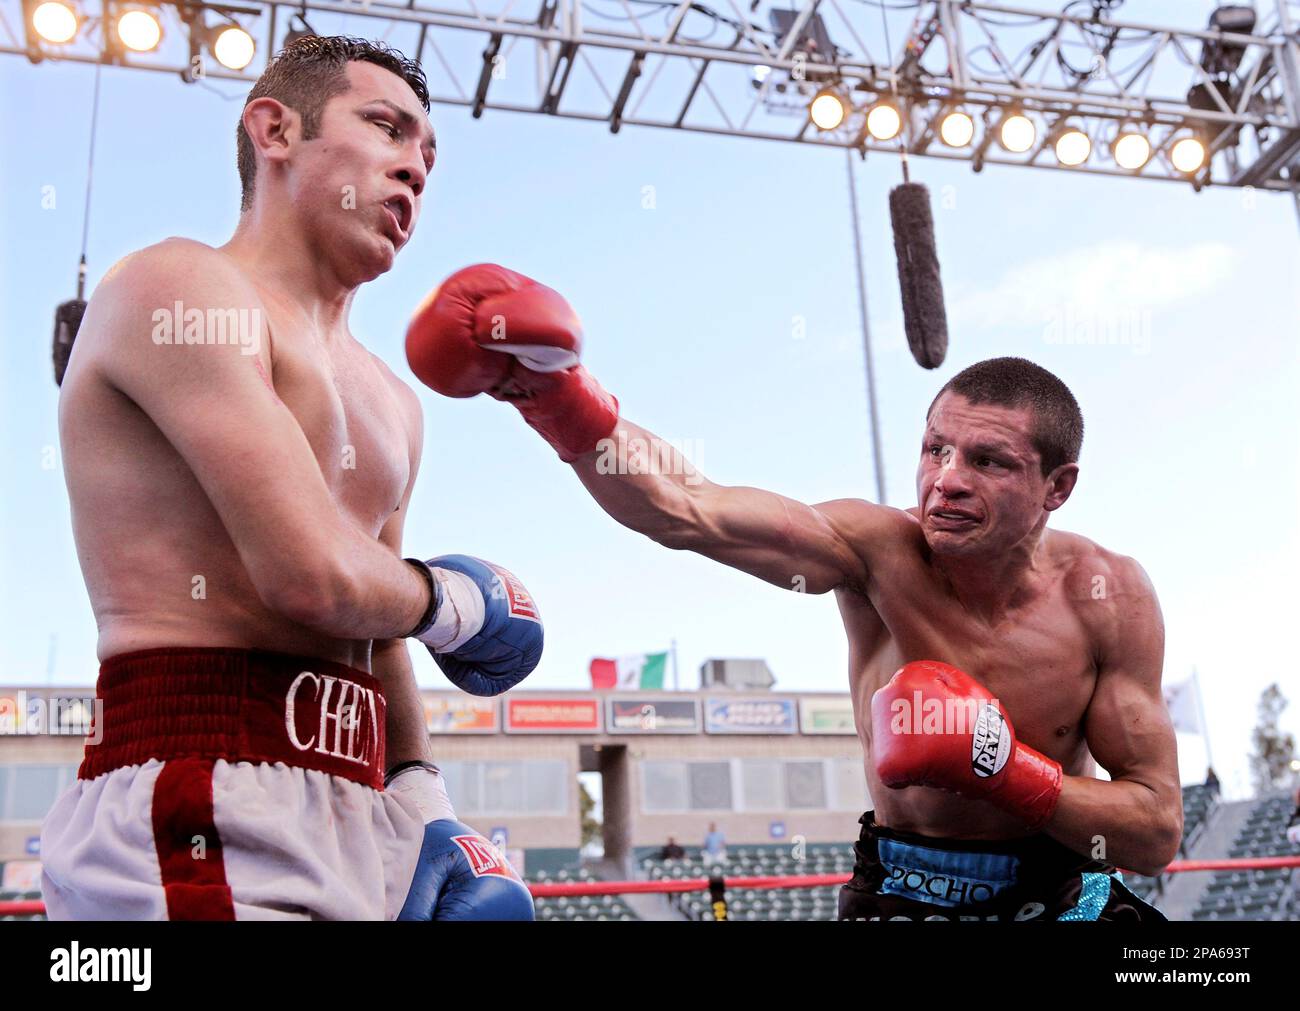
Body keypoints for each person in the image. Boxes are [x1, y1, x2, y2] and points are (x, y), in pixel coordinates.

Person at [406, 266, 1182, 921]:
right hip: (904, 891)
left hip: (1066, 891)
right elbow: (689, 508)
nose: (946, 480)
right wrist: (554, 394)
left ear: (1058, 486)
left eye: (988, 461)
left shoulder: (1107, 597)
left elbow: (1153, 831)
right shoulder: (877, 551)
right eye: (935, 447)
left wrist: (1008, 769)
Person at [40, 37, 539, 921]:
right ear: (274, 129)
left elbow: (377, 629)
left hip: (356, 803)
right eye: (386, 128)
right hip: (197, 782)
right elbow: (310, 574)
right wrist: (461, 600)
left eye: (427, 155)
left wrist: (426, 808)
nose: (414, 168)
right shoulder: (179, 287)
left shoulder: (393, 399)